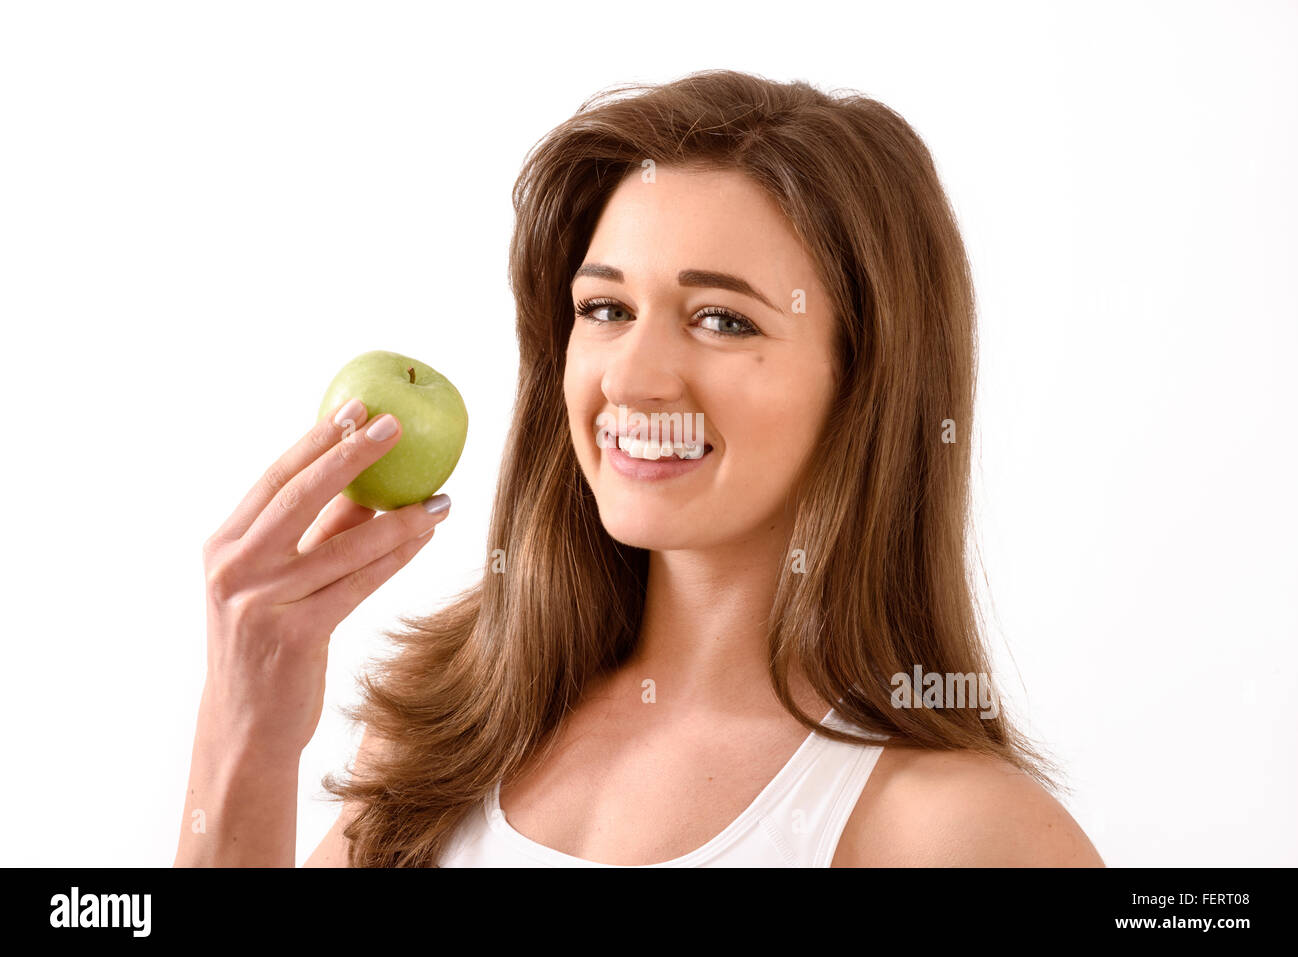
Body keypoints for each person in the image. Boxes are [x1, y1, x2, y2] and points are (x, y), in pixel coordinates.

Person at [175, 69, 1103, 868]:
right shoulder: (440, 740)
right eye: (606, 307)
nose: (631, 375)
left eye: (724, 319)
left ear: (864, 382)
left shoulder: (962, 835)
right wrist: (245, 733)